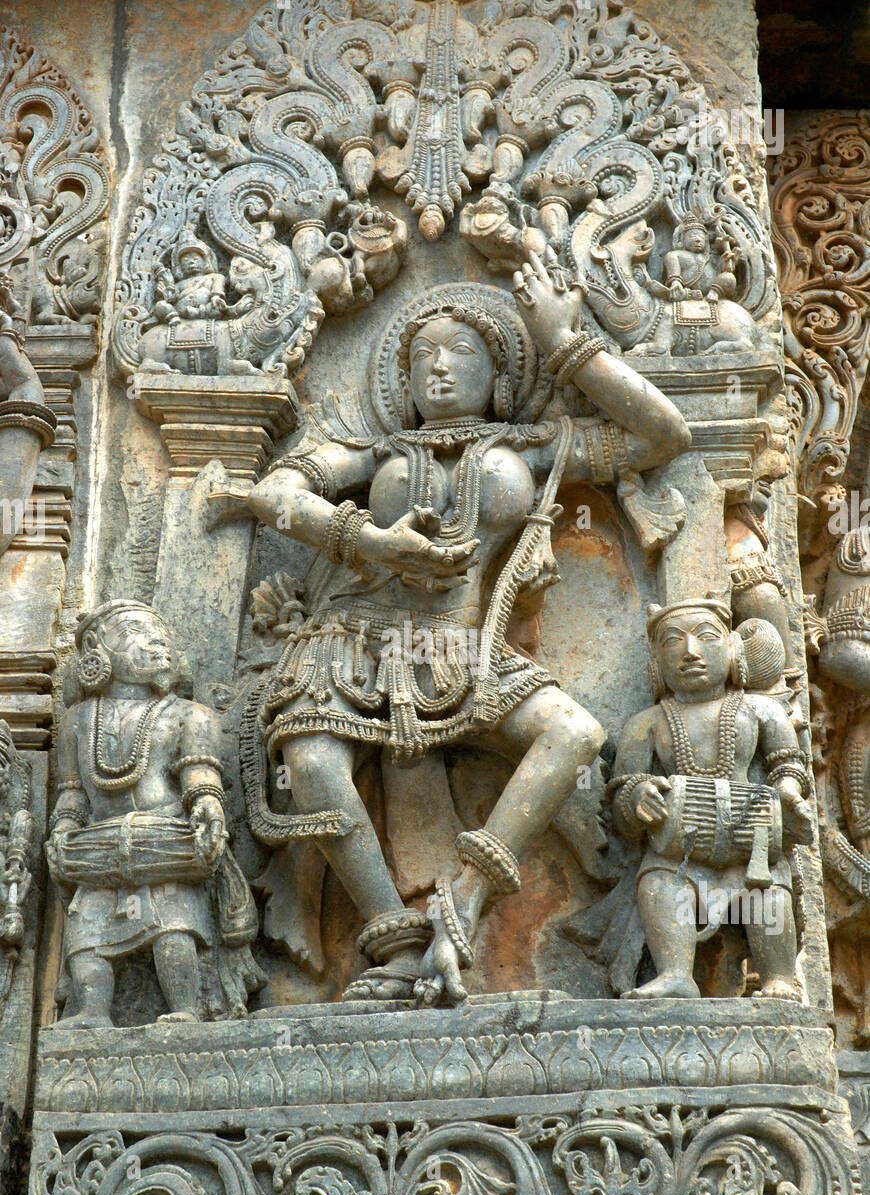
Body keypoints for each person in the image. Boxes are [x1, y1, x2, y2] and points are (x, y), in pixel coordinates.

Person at [208, 253, 691, 1005]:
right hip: (359, 638)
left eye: (460, 350)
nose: (438, 367)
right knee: (311, 761)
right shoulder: (376, 453)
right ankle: (392, 939)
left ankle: (465, 900)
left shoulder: (535, 450)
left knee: (574, 733)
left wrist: (566, 341)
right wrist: (362, 538)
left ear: (498, 372)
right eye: (421, 354)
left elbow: (664, 433)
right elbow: (277, 489)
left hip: (463, 644)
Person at [47, 600, 260, 1026]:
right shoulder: (77, 721)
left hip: (164, 838)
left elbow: (199, 774)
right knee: (87, 934)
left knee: (171, 928)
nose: (156, 640)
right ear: (96, 647)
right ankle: (91, 1010)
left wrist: (208, 808)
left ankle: (185, 1006)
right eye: (137, 632)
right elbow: (73, 793)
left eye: (161, 633)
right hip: (100, 846)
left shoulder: (188, 715)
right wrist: (65, 829)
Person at [609, 598, 814, 1000]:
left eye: (706, 637)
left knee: (769, 886)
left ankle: (778, 976)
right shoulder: (646, 724)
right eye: (672, 642)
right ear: (657, 663)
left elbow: (788, 764)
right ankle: (675, 974)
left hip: (749, 844)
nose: (690, 652)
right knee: (658, 881)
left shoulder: (760, 709)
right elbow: (622, 788)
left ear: (734, 647)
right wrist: (638, 798)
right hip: (679, 847)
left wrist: (789, 794)